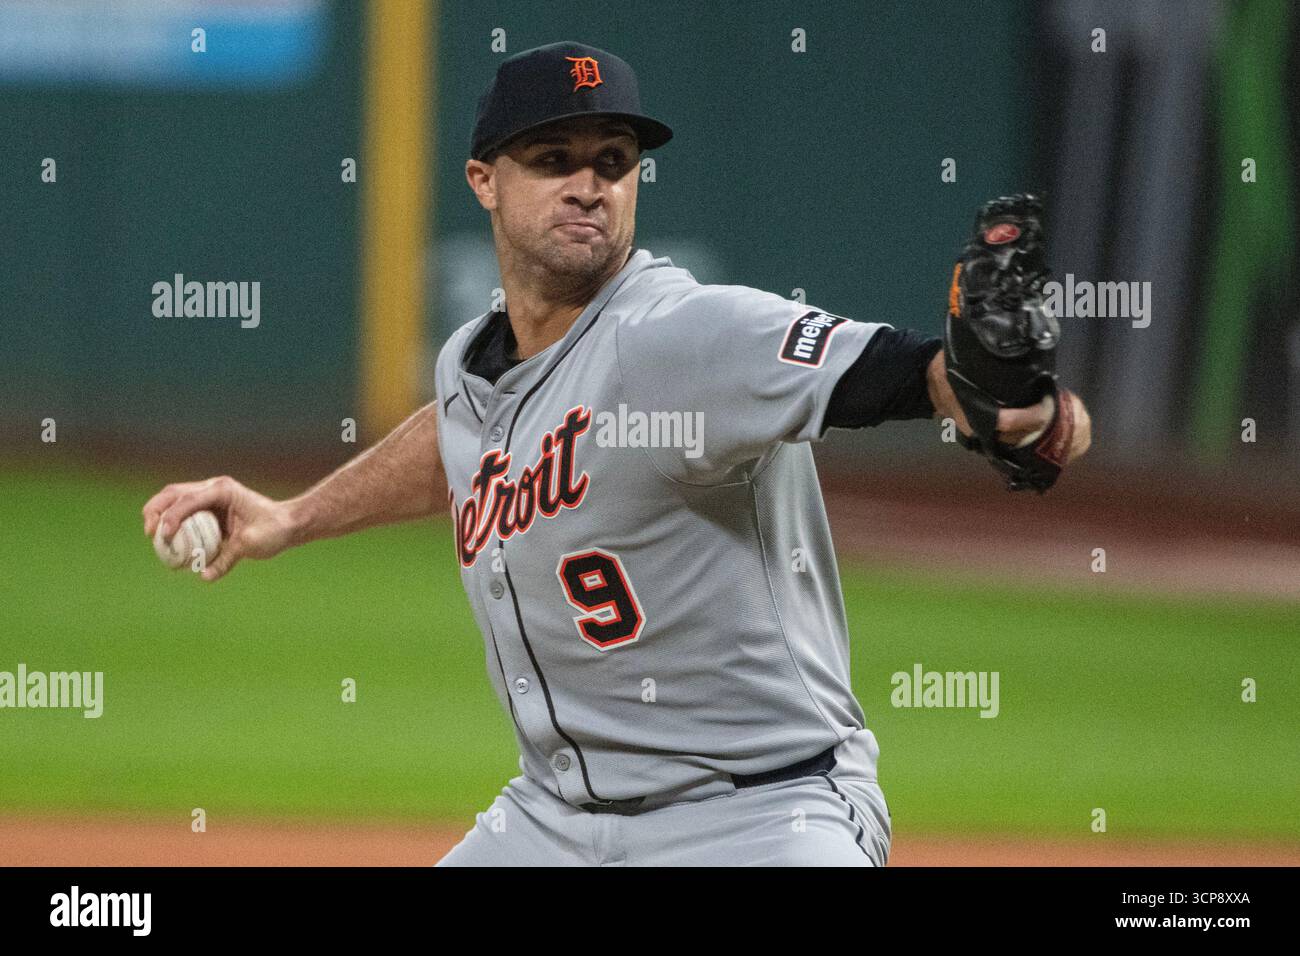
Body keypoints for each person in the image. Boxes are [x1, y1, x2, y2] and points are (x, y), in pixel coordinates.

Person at [143, 41, 1091, 866]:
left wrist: (994, 397)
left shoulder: (682, 334)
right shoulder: (477, 362)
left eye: (614, 160)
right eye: (553, 159)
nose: (589, 183)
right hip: (553, 823)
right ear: (484, 179)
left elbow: (895, 373)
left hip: (765, 812)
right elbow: (458, 441)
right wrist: (290, 517)